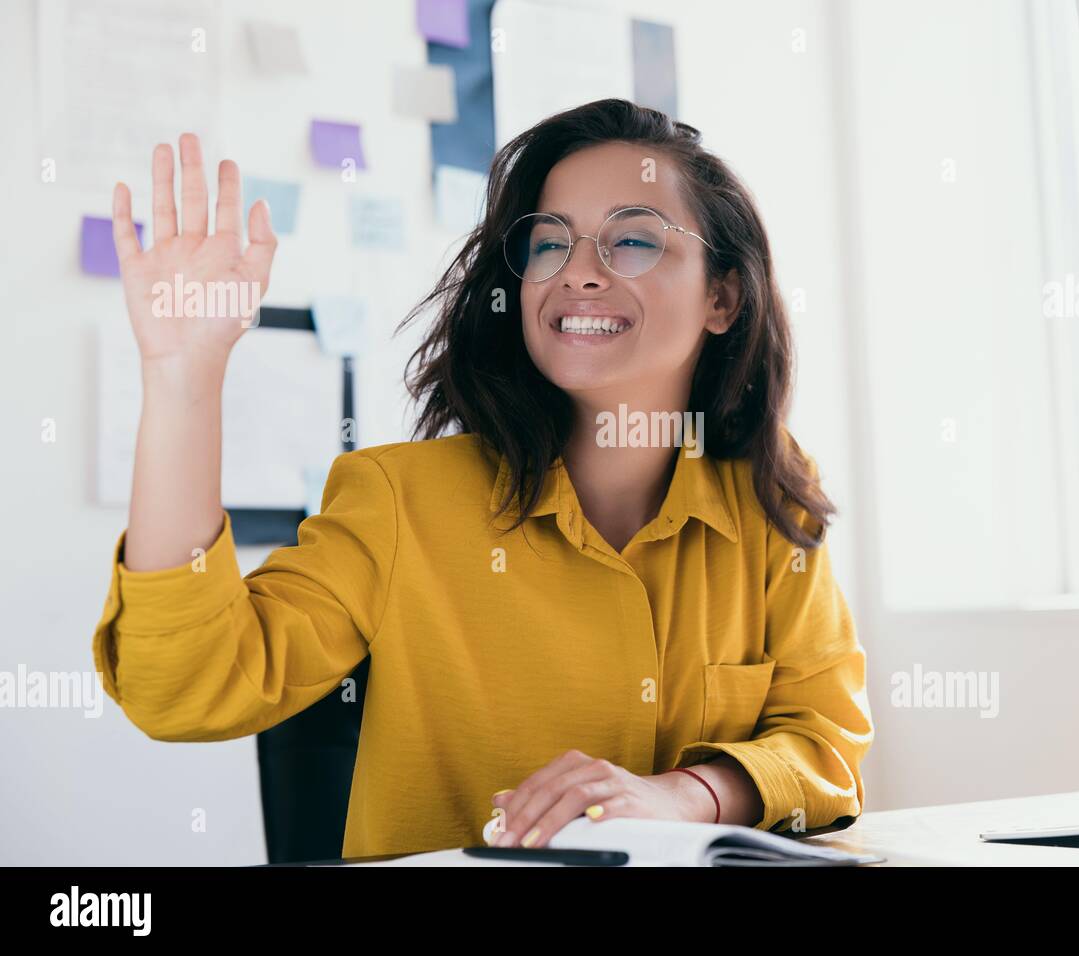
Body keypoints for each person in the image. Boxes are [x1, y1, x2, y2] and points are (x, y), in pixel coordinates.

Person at [93, 97, 874, 858]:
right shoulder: (400, 500)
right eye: (548, 243)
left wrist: (684, 793)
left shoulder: (766, 495)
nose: (580, 273)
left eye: (633, 241)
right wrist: (181, 379)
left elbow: (827, 748)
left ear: (723, 297)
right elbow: (184, 685)